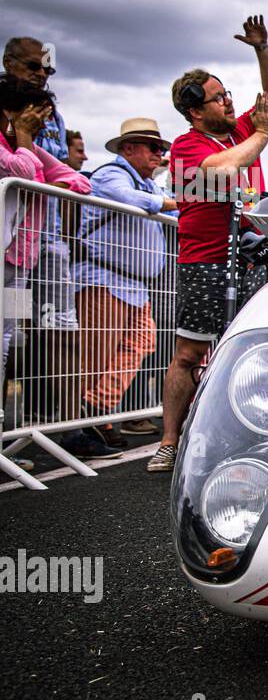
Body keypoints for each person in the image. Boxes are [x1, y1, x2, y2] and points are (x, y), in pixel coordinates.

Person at [150, 16, 268, 473]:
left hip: (248, 259)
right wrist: (263, 137)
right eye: (218, 97)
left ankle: (239, 436)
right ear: (194, 110)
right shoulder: (188, 145)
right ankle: (170, 440)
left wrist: (262, 49)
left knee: (247, 349)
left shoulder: (238, 129)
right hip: (206, 260)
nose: (229, 100)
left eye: (228, 93)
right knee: (191, 351)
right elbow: (222, 170)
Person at [74, 119, 176, 454]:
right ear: (128, 148)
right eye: (153, 147)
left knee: (143, 342)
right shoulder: (110, 175)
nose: (159, 154)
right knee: (97, 356)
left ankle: (95, 408)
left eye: (160, 148)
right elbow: (126, 198)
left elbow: (172, 210)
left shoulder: (151, 186)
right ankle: (89, 424)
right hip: (104, 279)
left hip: (133, 284)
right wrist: (179, 203)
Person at [1, 77, 89, 360]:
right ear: (11, 113)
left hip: (21, 262)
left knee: (7, 335)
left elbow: (79, 183)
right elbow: (23, 171)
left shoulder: (29, 149)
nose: (39, 127)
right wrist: (24, 136)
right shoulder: (16, 147)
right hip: (4, 258)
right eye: (34, 118)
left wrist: (42, 187)